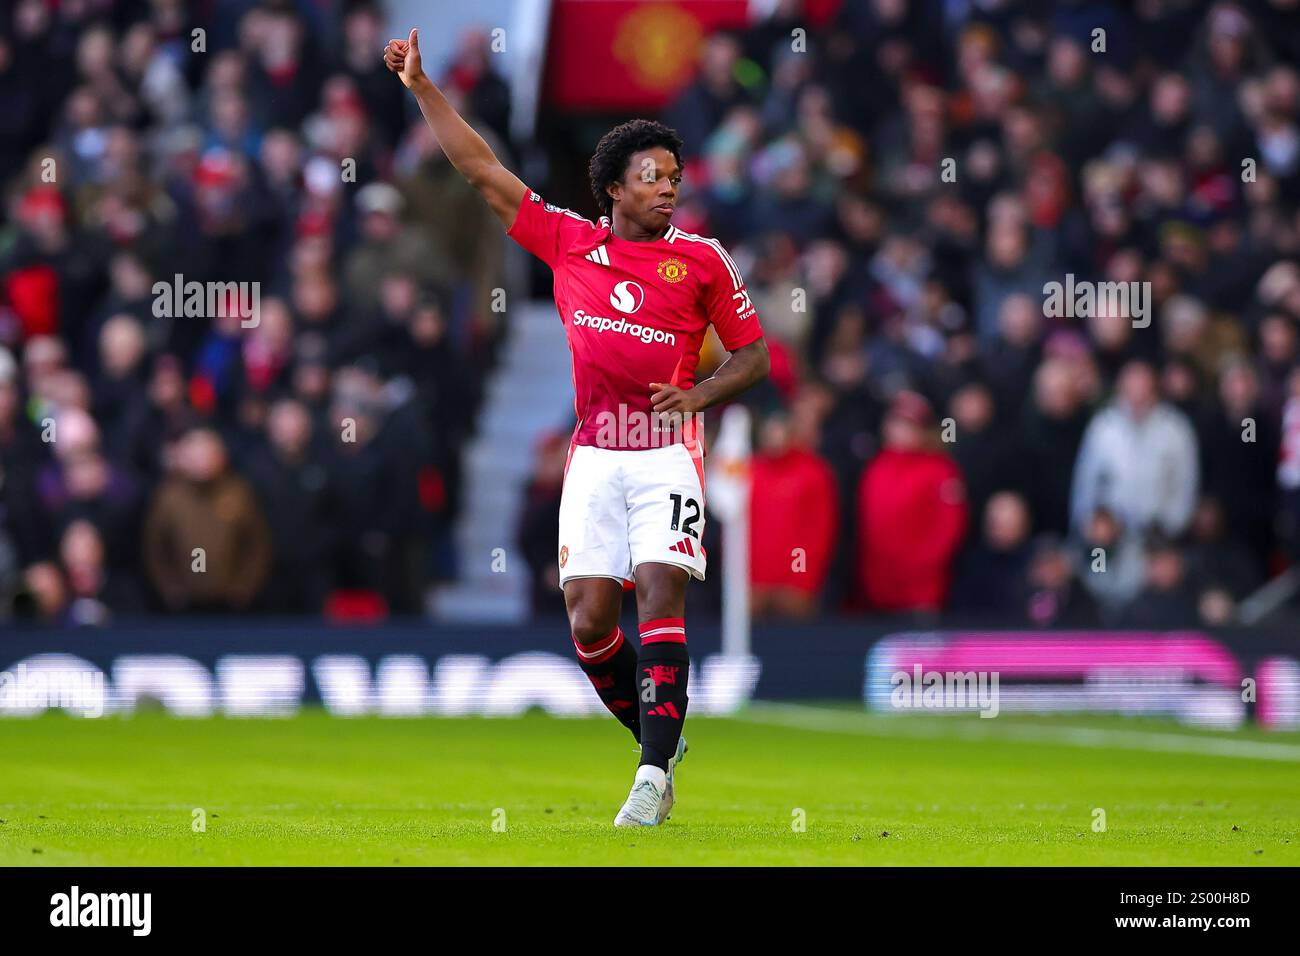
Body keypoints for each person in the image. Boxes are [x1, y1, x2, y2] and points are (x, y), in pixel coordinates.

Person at [385, 29, 770, 827]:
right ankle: (657, 732)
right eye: (650, 176)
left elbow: (755, 356)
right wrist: (424, 88)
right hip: (596, 453)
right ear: (614, 190)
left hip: (665, 450)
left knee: (660, 587)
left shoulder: (702, 260)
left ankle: (653, 776)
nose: (667, 187)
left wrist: (700, 398)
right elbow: (481, 170)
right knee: (591, 622)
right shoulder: (569, 244)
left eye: (672, 175)